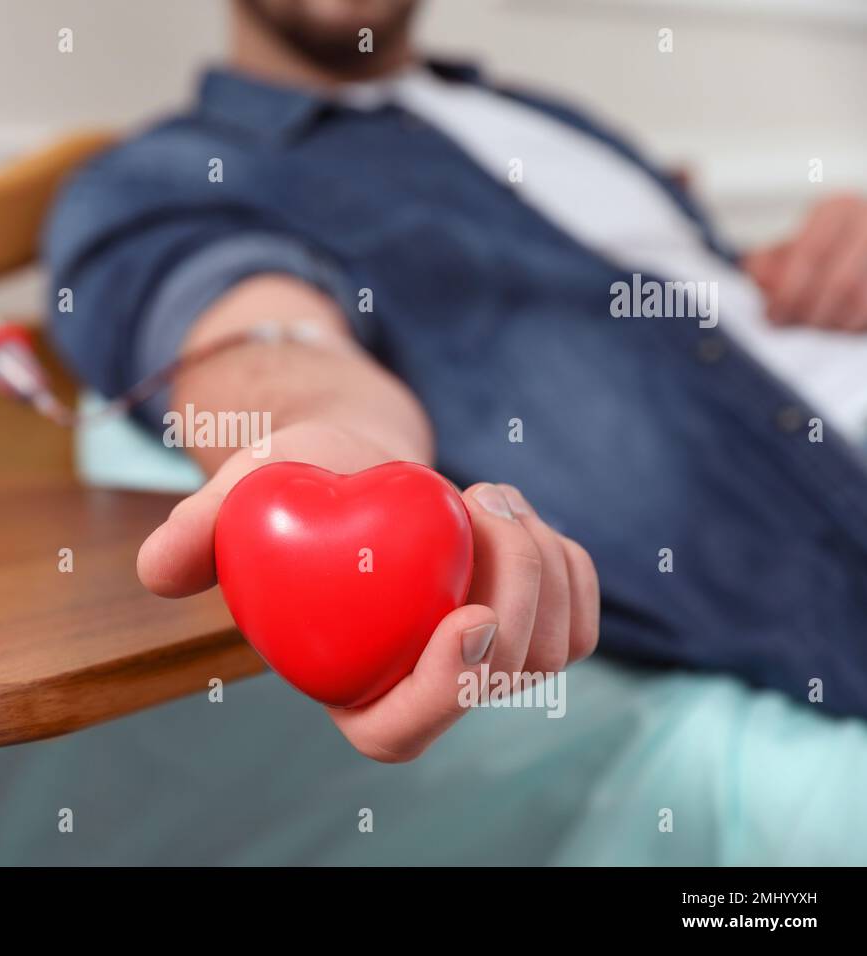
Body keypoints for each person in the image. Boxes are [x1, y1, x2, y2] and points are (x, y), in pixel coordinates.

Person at [43, 0, 867, 761]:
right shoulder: (161, 175)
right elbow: (258, 328)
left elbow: (714, 311)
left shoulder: (555, 119)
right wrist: (331, 445)